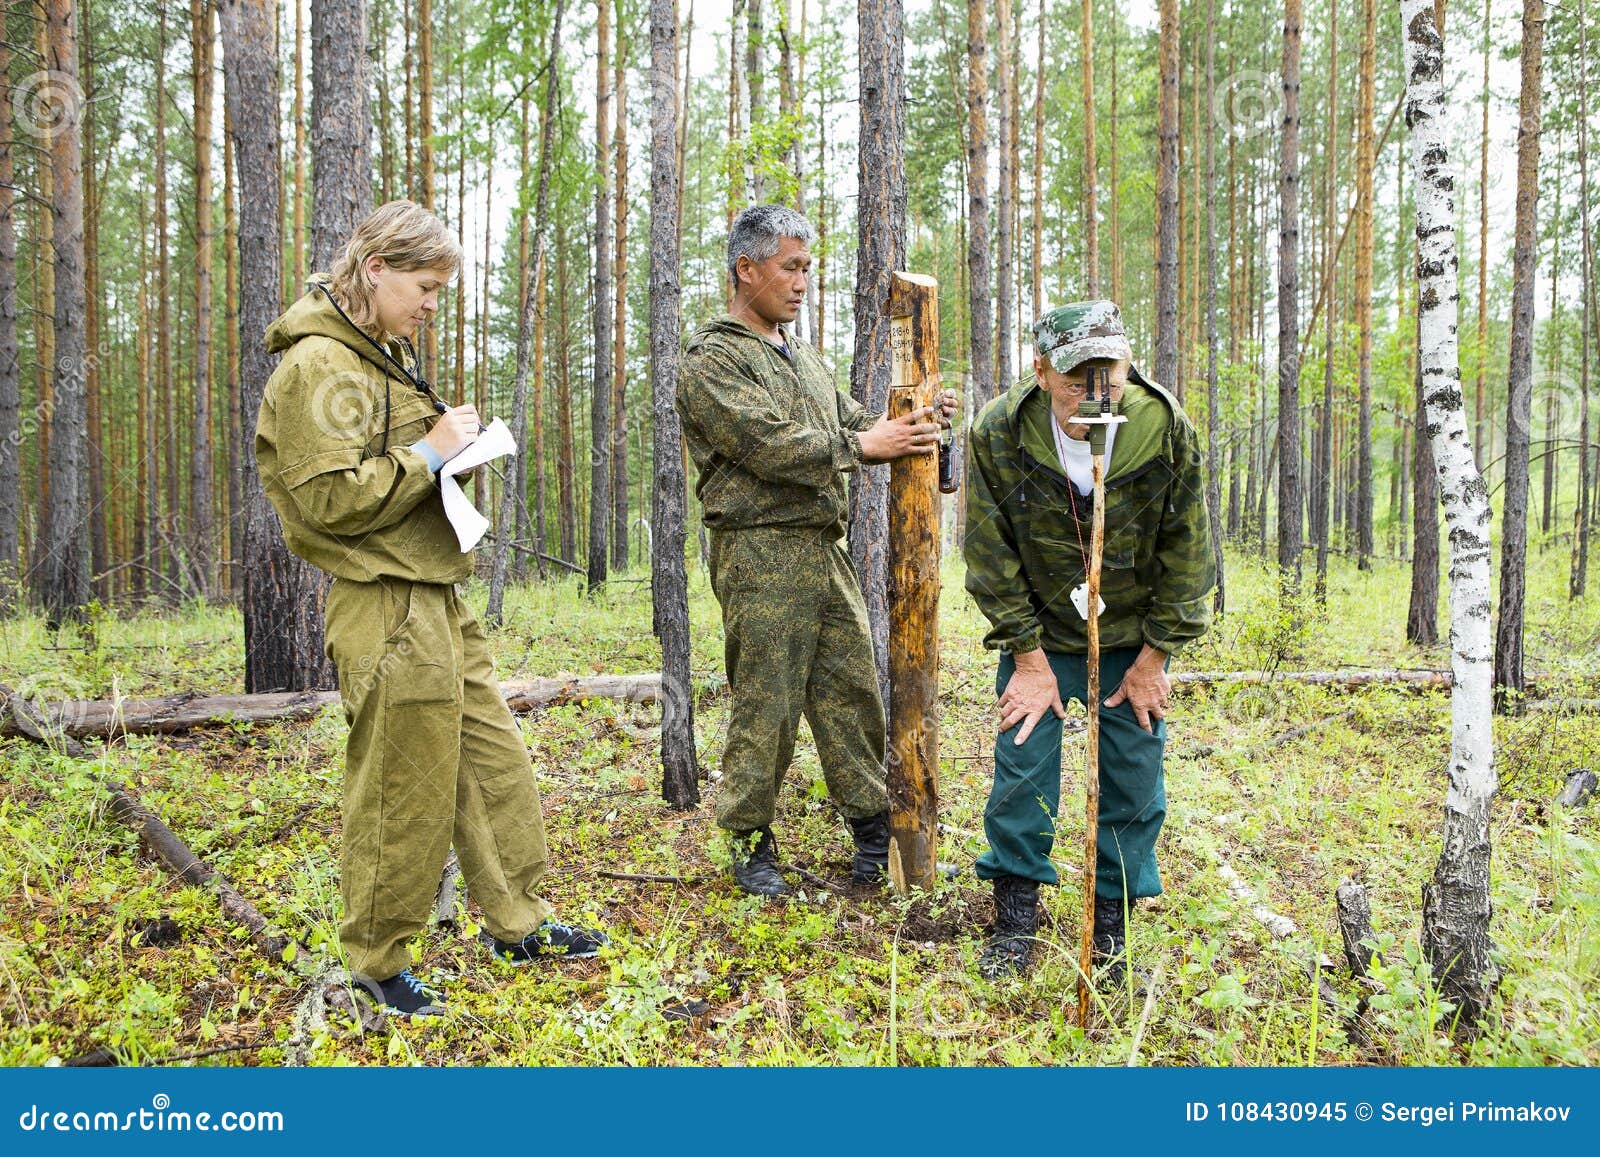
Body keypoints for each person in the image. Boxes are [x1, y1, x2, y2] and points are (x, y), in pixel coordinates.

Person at [254, 200, 605, 1019]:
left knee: (490, 760)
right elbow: (330, 499)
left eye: (440, 291)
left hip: (433, 591)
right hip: (383, 603)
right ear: (375, 268)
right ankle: (376, 965)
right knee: (401, 785)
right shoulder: (319, 365)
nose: (431, 305)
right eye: (424, 287)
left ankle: (518, 922)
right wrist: (428, 452)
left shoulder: (378, 352)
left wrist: (451, 455)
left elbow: (393, 473)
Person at [675, 204, 957, 897]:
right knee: (767, 700)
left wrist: (912, 422)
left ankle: (873, 836)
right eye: (791, 267)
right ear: (747, 269)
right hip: (759, 550)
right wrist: (866, 444)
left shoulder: (799, 355)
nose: (803, 283)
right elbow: (768, 443)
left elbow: (854, 421)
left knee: (851, 691)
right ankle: (749, 842)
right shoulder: (711, 359)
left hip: (823, 549)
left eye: (808, 268)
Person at [962, 300, 1216, 982]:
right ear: (1041, 371)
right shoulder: (999, 432)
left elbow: (1189, 552)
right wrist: (1027, 659)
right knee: (1022, 767)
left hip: (1132, 637)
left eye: (1111, 374)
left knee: (1134, 778)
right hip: (1041, 635)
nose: (1097, 393)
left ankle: (1111, 927)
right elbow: (989, 555)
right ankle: (1015, 919)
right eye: (1078, 379)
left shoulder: (1163, 428)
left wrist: (1155, 659)